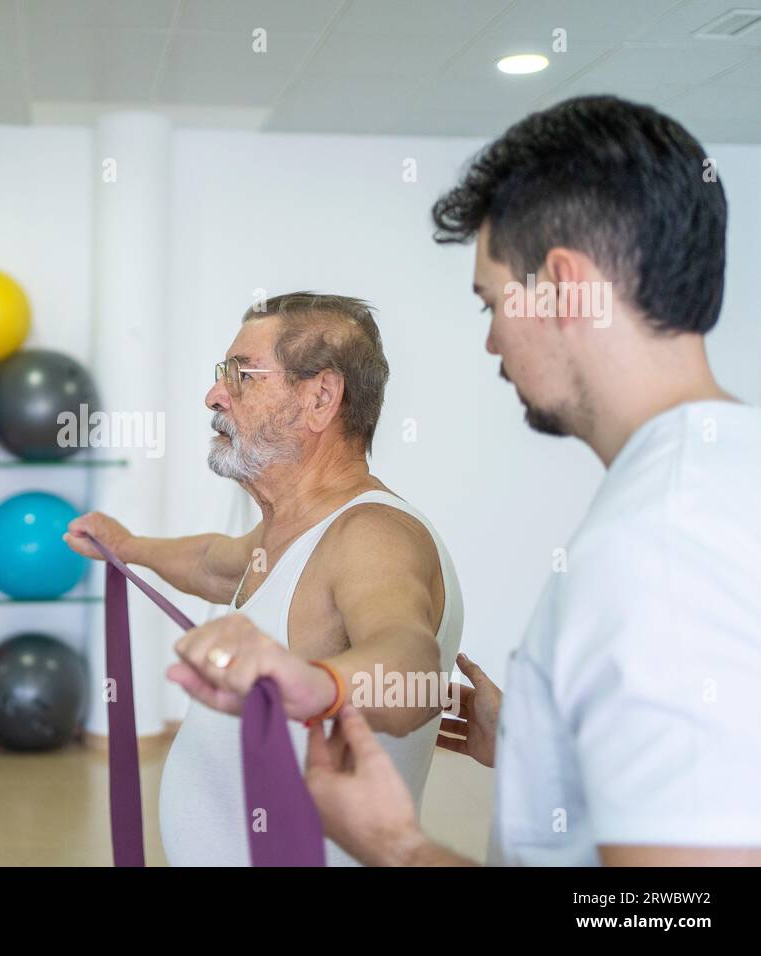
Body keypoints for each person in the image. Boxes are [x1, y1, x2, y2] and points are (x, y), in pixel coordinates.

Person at [172, 95, 761, 866]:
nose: (491, 342)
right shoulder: (721, 475)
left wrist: (399, 847)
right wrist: (533, 741)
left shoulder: (661, 548)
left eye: (492, 303)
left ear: (563, 285)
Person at [65, 292, 463, 866]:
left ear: (320, 398)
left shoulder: (373, 534)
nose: (214, 394)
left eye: (241, 376)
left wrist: (316, 686)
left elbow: (411, 668)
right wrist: (128, 547)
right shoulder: (297, 528)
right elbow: (213, 562)